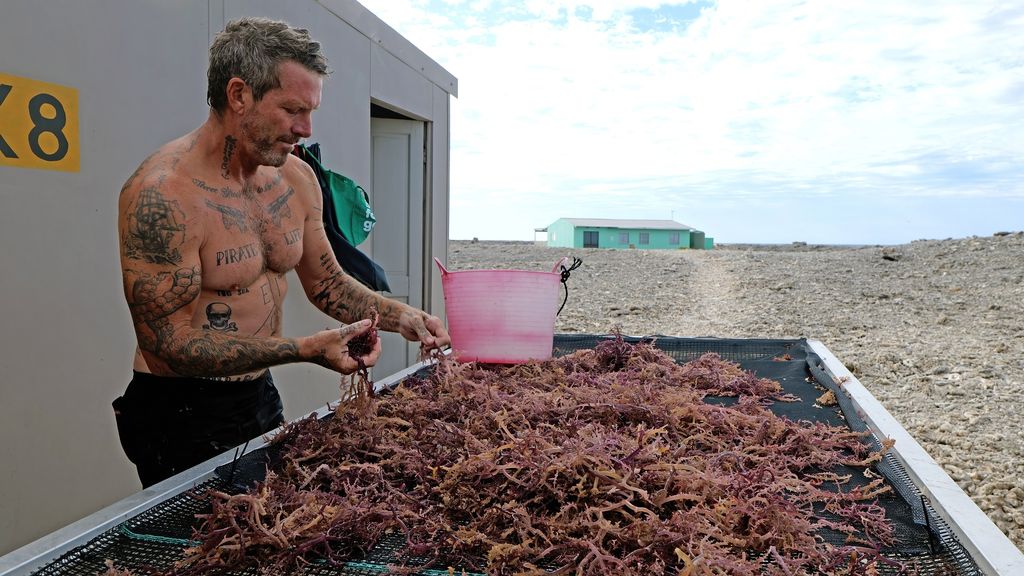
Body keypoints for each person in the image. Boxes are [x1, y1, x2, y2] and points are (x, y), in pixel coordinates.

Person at [113, 16, 450, 487]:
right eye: (292, 109)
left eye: (310, 111)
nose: (306, 129)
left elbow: (328, 283)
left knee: (269, 534)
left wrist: (401, 317)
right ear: (239, 95)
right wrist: (303, 349)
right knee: (204, 554)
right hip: (179, 410)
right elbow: (167, 347)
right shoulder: (165, 195)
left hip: (258, 395)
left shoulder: (295, 178)